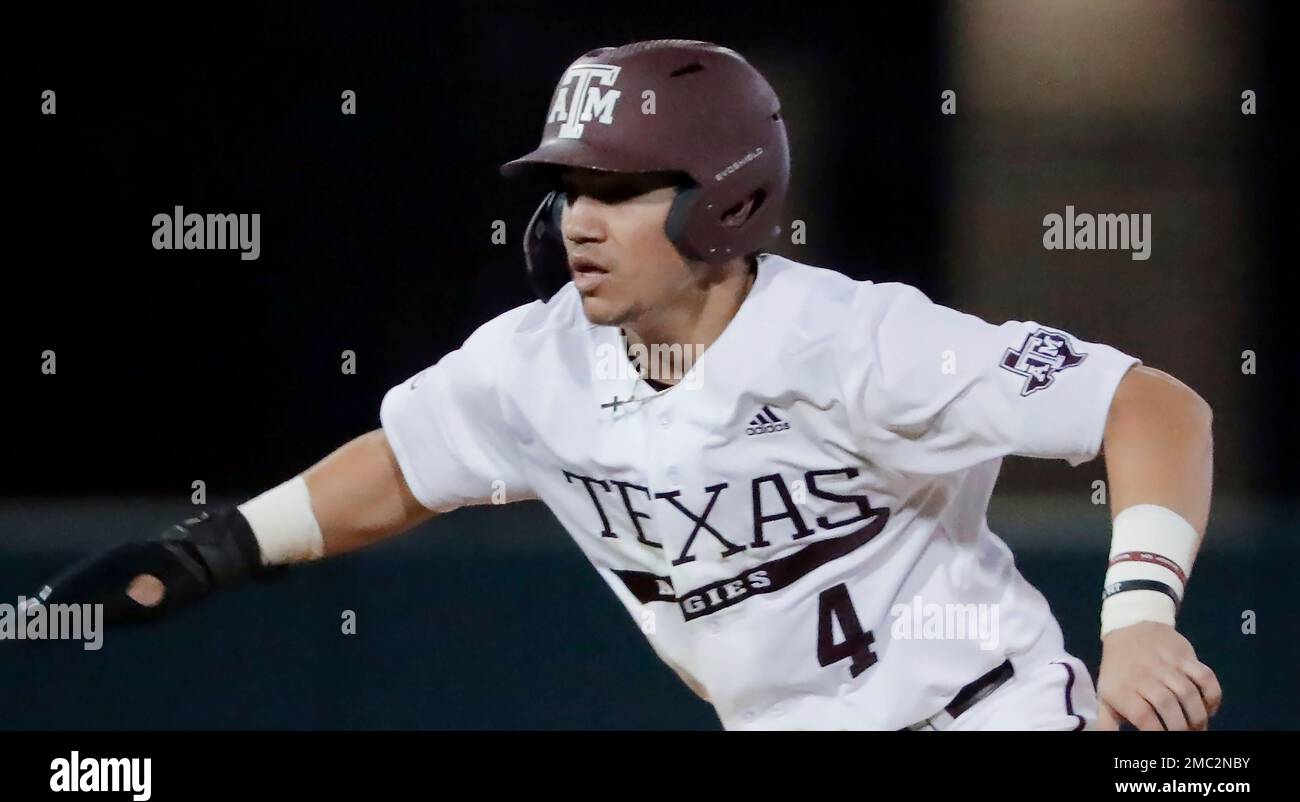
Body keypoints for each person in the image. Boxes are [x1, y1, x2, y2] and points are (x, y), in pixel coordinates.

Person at [32, 39, 1221, 731]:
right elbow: (404, 469)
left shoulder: (857, 342)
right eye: (569, 189)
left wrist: (1138, 617)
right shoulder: (533, 360)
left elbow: (1154, 404)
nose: (579, 219)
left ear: (728, 199)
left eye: (621, 188)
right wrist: (217, 548)